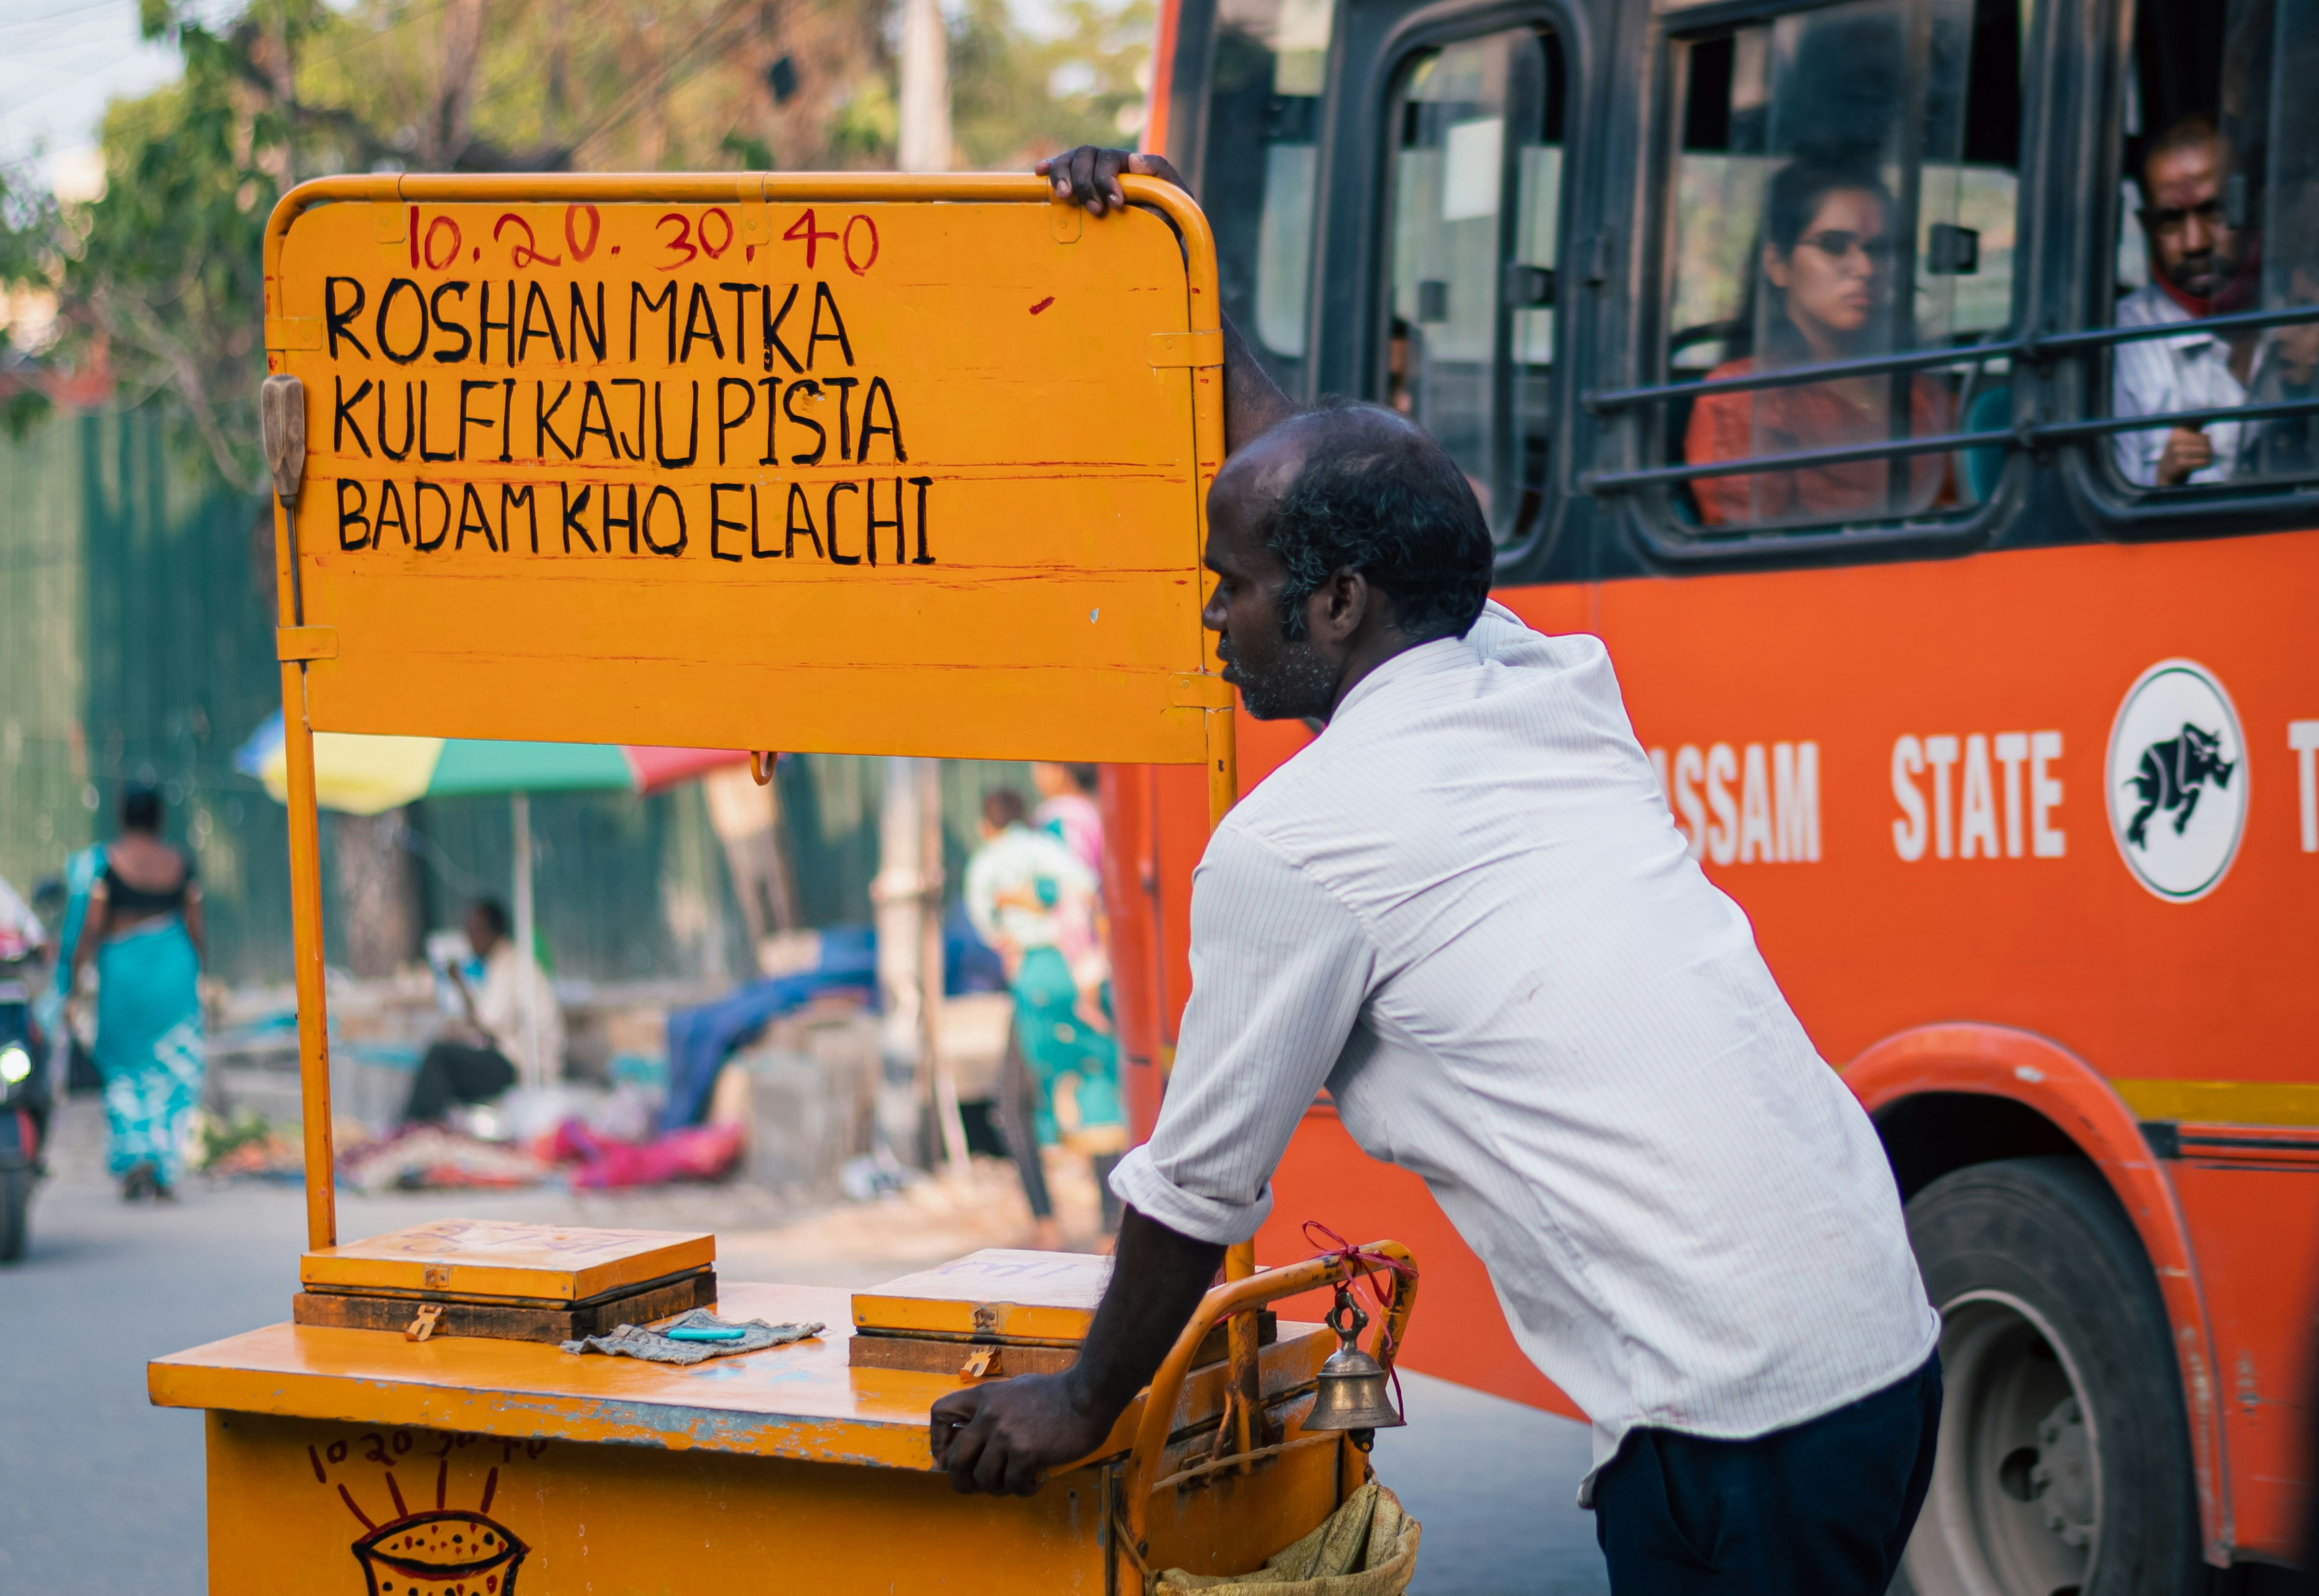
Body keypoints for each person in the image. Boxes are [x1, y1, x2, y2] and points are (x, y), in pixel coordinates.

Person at [931, 146, 1943, 1595]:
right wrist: (1178, 264)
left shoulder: (1297, 844)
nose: (1214, 610)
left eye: (1235, 582)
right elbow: (1327, 468)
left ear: (1337, 602)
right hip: (1883, 1339)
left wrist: (1081, 1399)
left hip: (1747, 1414)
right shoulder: (1535, 673)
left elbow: (1198, 1186)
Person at [1685, 160, 1954, 525]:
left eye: (1878, 250)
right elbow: (1752, 549)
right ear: (1778, 264)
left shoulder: (1924, 396)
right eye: (1834, 246)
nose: (1865, 269)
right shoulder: (1745, 398)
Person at [966, 789, 1124, 1244]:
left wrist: (1010, 918)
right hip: (1075, 974)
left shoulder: (994, 857)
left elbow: (987, 920)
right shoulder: (1056, 838)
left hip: (1034, 973)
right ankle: (1109, 1227)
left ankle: (1046, 1222)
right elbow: (1087, 888)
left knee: (1013, 1097)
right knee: (1095, 1086)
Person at [67, 785, 205, 1202]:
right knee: (173, 1065)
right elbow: (195, 925)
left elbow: (92, 927)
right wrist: (200, 967)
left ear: (124, 815)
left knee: (124, 1067)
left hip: (124, 973)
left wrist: (75, 973)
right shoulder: (179, 864)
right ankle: (163, 1160)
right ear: (159, 818)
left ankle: (134, 1157)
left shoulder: (106, 866)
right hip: (173, 971)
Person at [2112, 113, 2261, 487]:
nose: (2195, 243)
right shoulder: (2125, 340)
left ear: (2251, 207)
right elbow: (2114, 514)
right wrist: (2165, 478)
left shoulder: (2298, 315)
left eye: (2214, 211)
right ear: (2147, 226)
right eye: (2171, 220)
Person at [402, 899, 563, 1126]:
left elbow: (487, 1020)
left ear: (492, 933)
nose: (469, 940)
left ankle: (413, 1126)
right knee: (446, 1065)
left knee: (439, 1057)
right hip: (512, 1056)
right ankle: (424, 1125)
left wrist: (462, 988)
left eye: (475, 932)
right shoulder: (501, 964)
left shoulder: (510, 965)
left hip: (524, 1066)